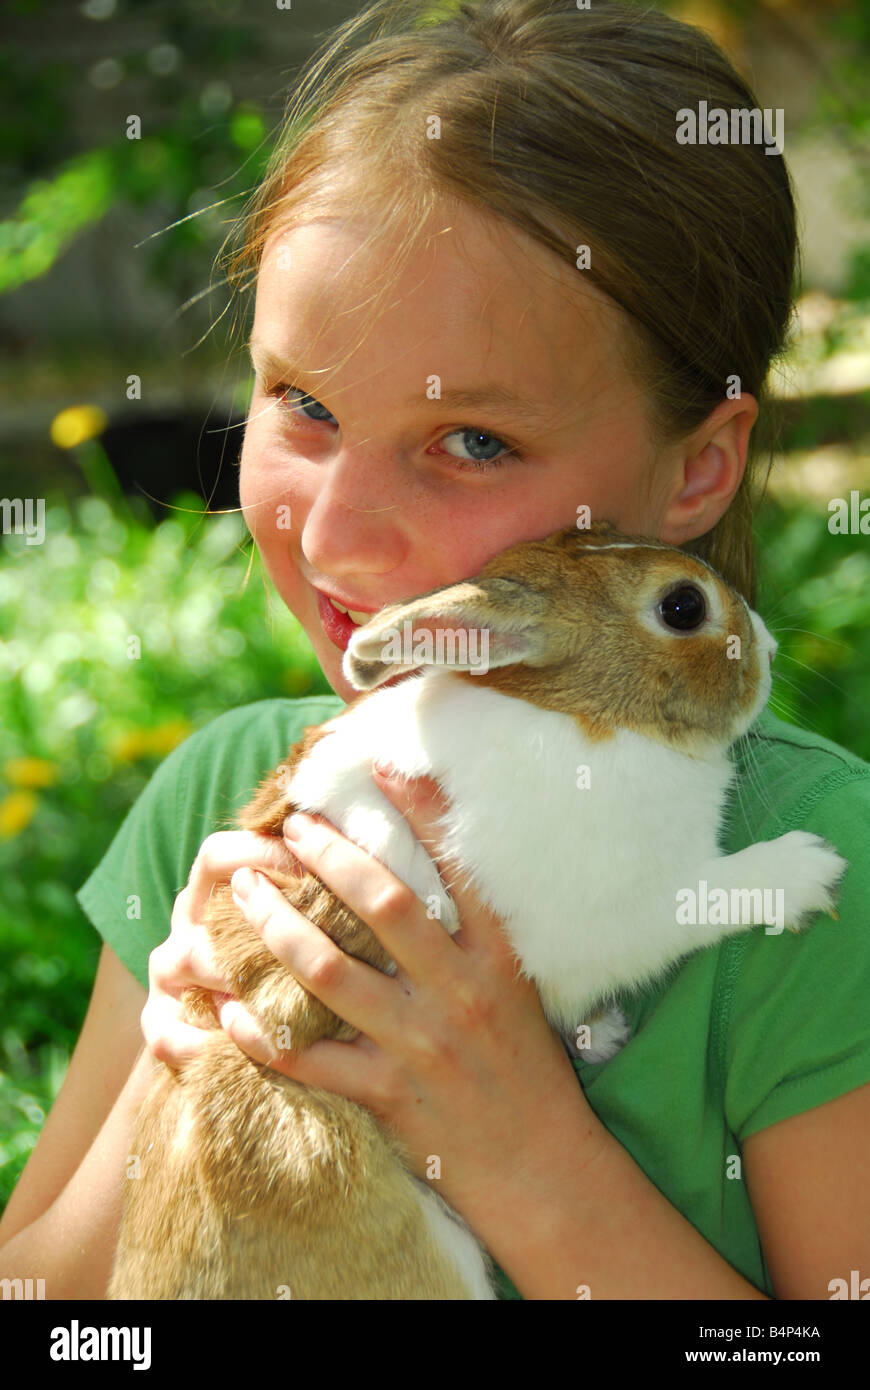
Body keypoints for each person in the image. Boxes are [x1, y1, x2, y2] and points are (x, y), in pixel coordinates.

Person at [1, 0, 868, 1301]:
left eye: (470, 441)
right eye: (301, 402)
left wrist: (529, 1160)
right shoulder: (230, 796)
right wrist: (190, 1065)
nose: (339, 534)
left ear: (696, 466)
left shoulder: (811, 881)